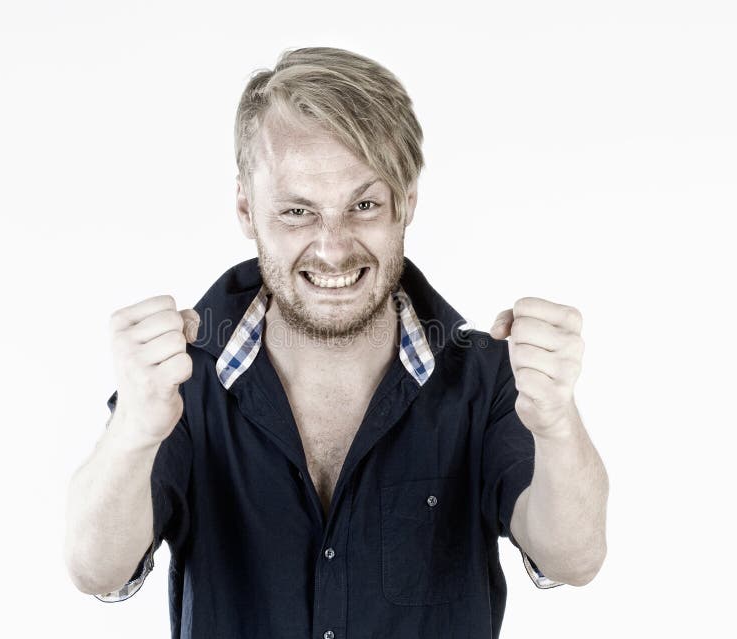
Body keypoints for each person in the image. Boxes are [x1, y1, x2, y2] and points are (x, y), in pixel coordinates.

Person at [64, 46, 609, 639]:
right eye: (297, 211)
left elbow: (572, 559)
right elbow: (96, 569)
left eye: (364, 205)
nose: (332, 247)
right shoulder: (180, 382)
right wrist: (135, 432)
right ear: (248, 210)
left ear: (407, 202)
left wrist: (557, 424)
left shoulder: (487, 380)